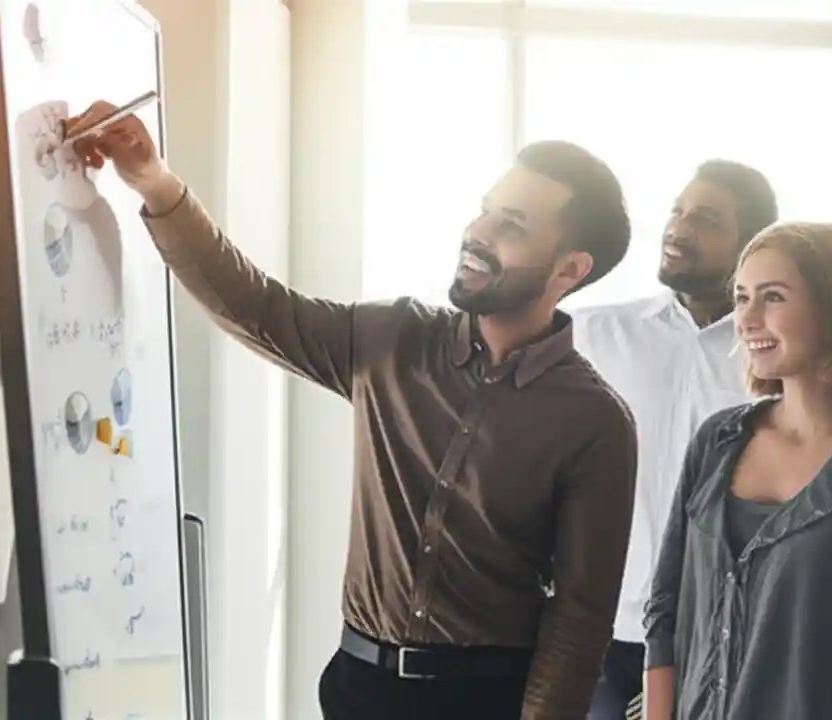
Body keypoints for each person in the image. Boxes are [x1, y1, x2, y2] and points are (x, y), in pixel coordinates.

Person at [66, 102, 639, 719]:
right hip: (357, 689)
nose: (479, 231)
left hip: (485, 699)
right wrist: (154, 180)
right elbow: (253, 304)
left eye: (513, 225)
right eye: (485, 208)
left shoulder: (596, 422)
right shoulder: (392, 340)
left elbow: (579, 617)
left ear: (570, 269)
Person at [643, 222, 832, 720]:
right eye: (741, 296)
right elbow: (665, 616)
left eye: (772, 297)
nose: (744, 318)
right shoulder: (718, 439)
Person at [573, 160, 778, 720]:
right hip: (602, 633)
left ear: (748, 245)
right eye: (677, 211)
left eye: (706, 219)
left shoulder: (775, 360)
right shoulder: (596, 334)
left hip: (723, 636)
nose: (679, 228)